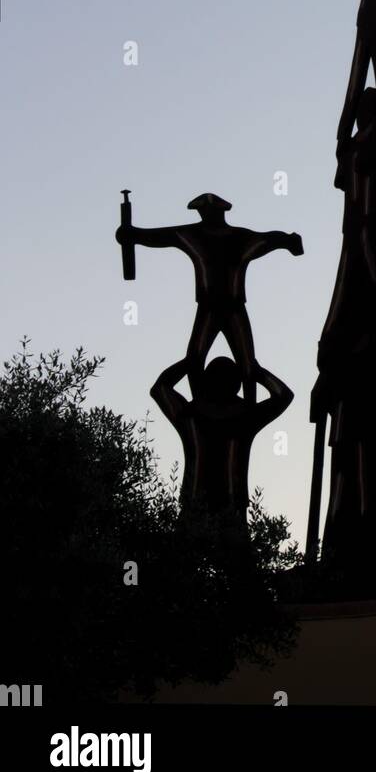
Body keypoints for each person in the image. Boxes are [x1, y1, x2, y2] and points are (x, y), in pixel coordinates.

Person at [116, 193, 303, 401]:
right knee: (207, 359)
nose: (204, 216)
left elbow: (269, 239)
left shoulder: (223, 237)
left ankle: (241, 406)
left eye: (205, 212)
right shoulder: (199, 235)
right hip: (215, 307)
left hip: (227, 307)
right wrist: (135, 235)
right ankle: (203, 403)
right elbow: (162, 236)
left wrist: (288, 241)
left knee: (239, 362)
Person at [151, 355, 293, 526]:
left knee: (192, 547)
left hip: (207, 505)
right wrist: (255, 370)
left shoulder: (190, 415)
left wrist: (190, 361)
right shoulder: (244, 417)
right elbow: (283, 395)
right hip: (221, 507)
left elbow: (160, 388)